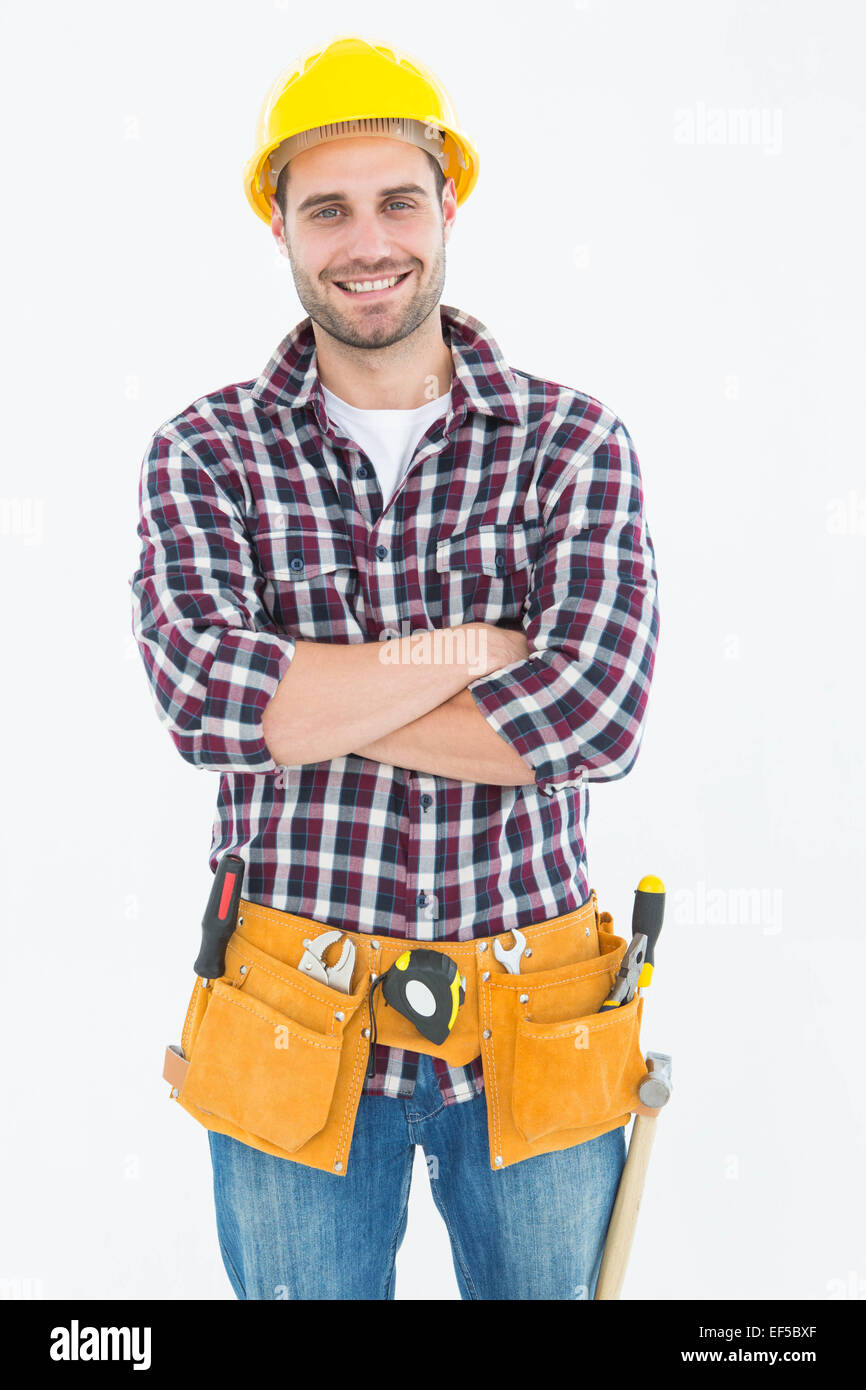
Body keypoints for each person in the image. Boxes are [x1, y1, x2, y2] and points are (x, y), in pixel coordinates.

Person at [130, 34, 660, 1300]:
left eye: (395, 200)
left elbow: (594, 716)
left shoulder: (568, 439)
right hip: (286, 1010)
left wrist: (308, 705)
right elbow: (208, 703)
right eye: (327, 209)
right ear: (280, 225)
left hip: (534, 1015)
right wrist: (473, 656)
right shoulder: (205, 453)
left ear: (447, 202)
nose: (366, 240)